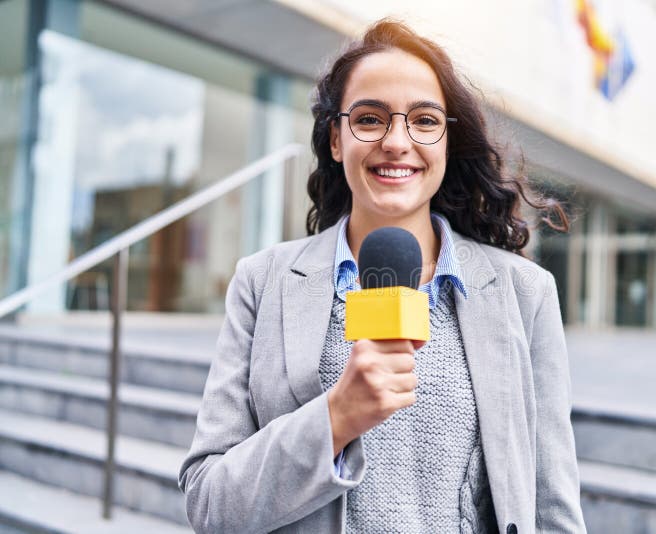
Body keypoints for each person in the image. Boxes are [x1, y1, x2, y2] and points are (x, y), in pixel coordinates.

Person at [179, 19, 586, 534]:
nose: (397, 142)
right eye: (370, 119)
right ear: (335, 139)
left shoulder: (525, 294)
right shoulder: (262, 282)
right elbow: (209, 504)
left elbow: (553, 511)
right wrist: (336, 418)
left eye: (423, 120)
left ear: (445, 143)